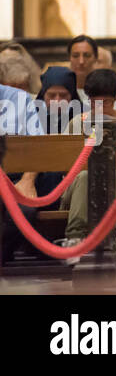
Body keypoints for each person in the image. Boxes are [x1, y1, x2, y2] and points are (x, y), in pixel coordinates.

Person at [64, 69, 116, 253]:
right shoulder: (77, 123)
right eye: (94, 102)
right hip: (81, 187)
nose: (99, 107)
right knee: (83, 176)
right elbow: (65, 161)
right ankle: (75, 237)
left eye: (105, 102)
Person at [0, 70, 43, 263]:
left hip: (14, 177)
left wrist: (27, 180)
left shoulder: (19, 98)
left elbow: (37, 145)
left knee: (25, 210)